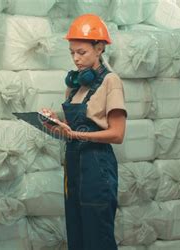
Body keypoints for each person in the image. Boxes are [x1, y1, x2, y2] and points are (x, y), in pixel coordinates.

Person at [41, 14, 127, 250]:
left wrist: (77, 135)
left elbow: (117, 134)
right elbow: (69, 125)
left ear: (99, 48)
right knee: (77, 235)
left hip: (97, 166)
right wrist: (53, 121)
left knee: (97, 237)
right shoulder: (76, 84)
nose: (76, 59)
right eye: (72, 53)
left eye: (82, 52)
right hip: (74, 166)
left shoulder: (111, 82)